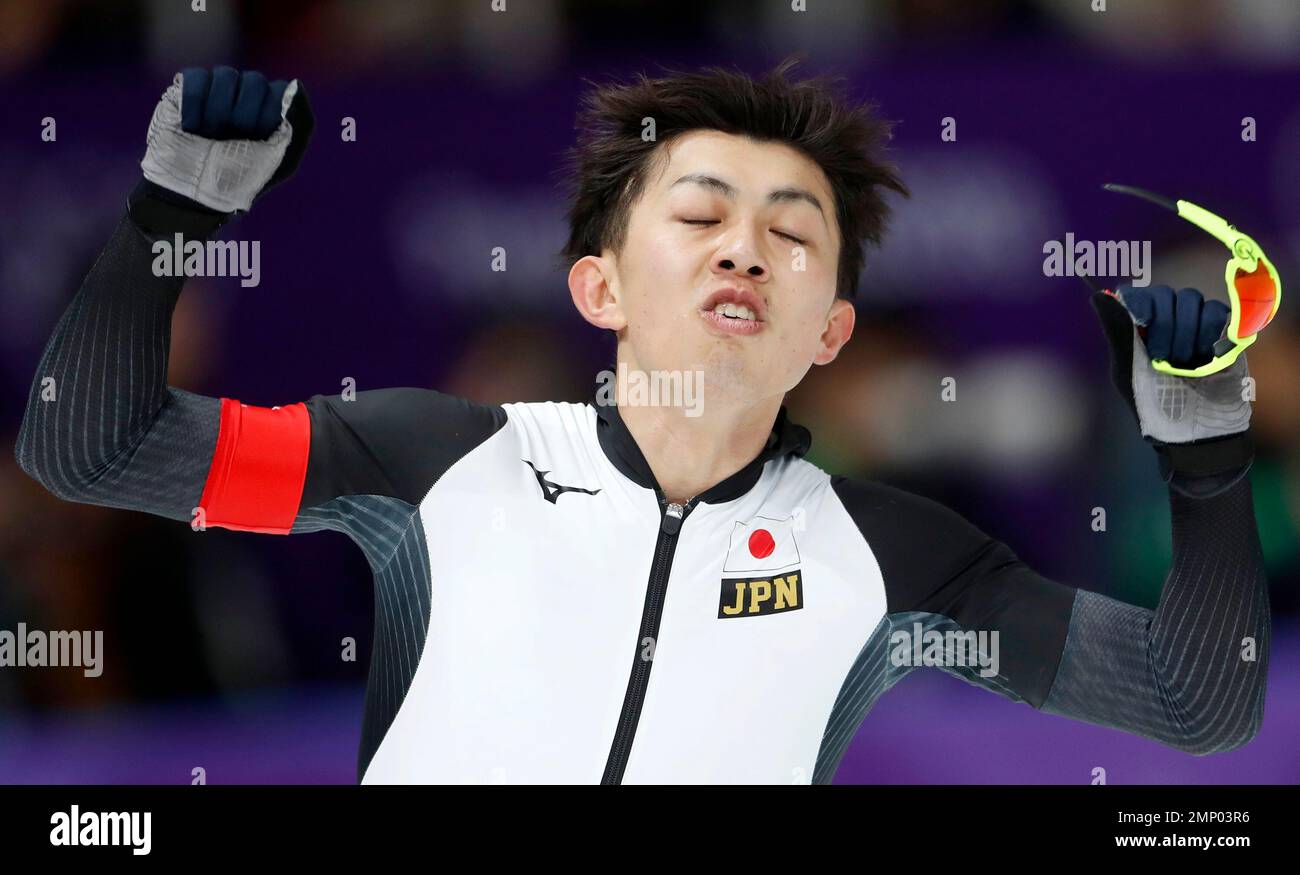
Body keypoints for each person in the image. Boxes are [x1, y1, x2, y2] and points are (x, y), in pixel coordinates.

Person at [15, 61, 1269, 784]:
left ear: (827, 331)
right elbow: (90, 447)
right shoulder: (434, 460)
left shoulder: (902, 557)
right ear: (598, 287)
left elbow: (1196, 702)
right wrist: (167, 211)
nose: (744, 248)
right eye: (700, 215)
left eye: (791, 233)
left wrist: (1205, 463)